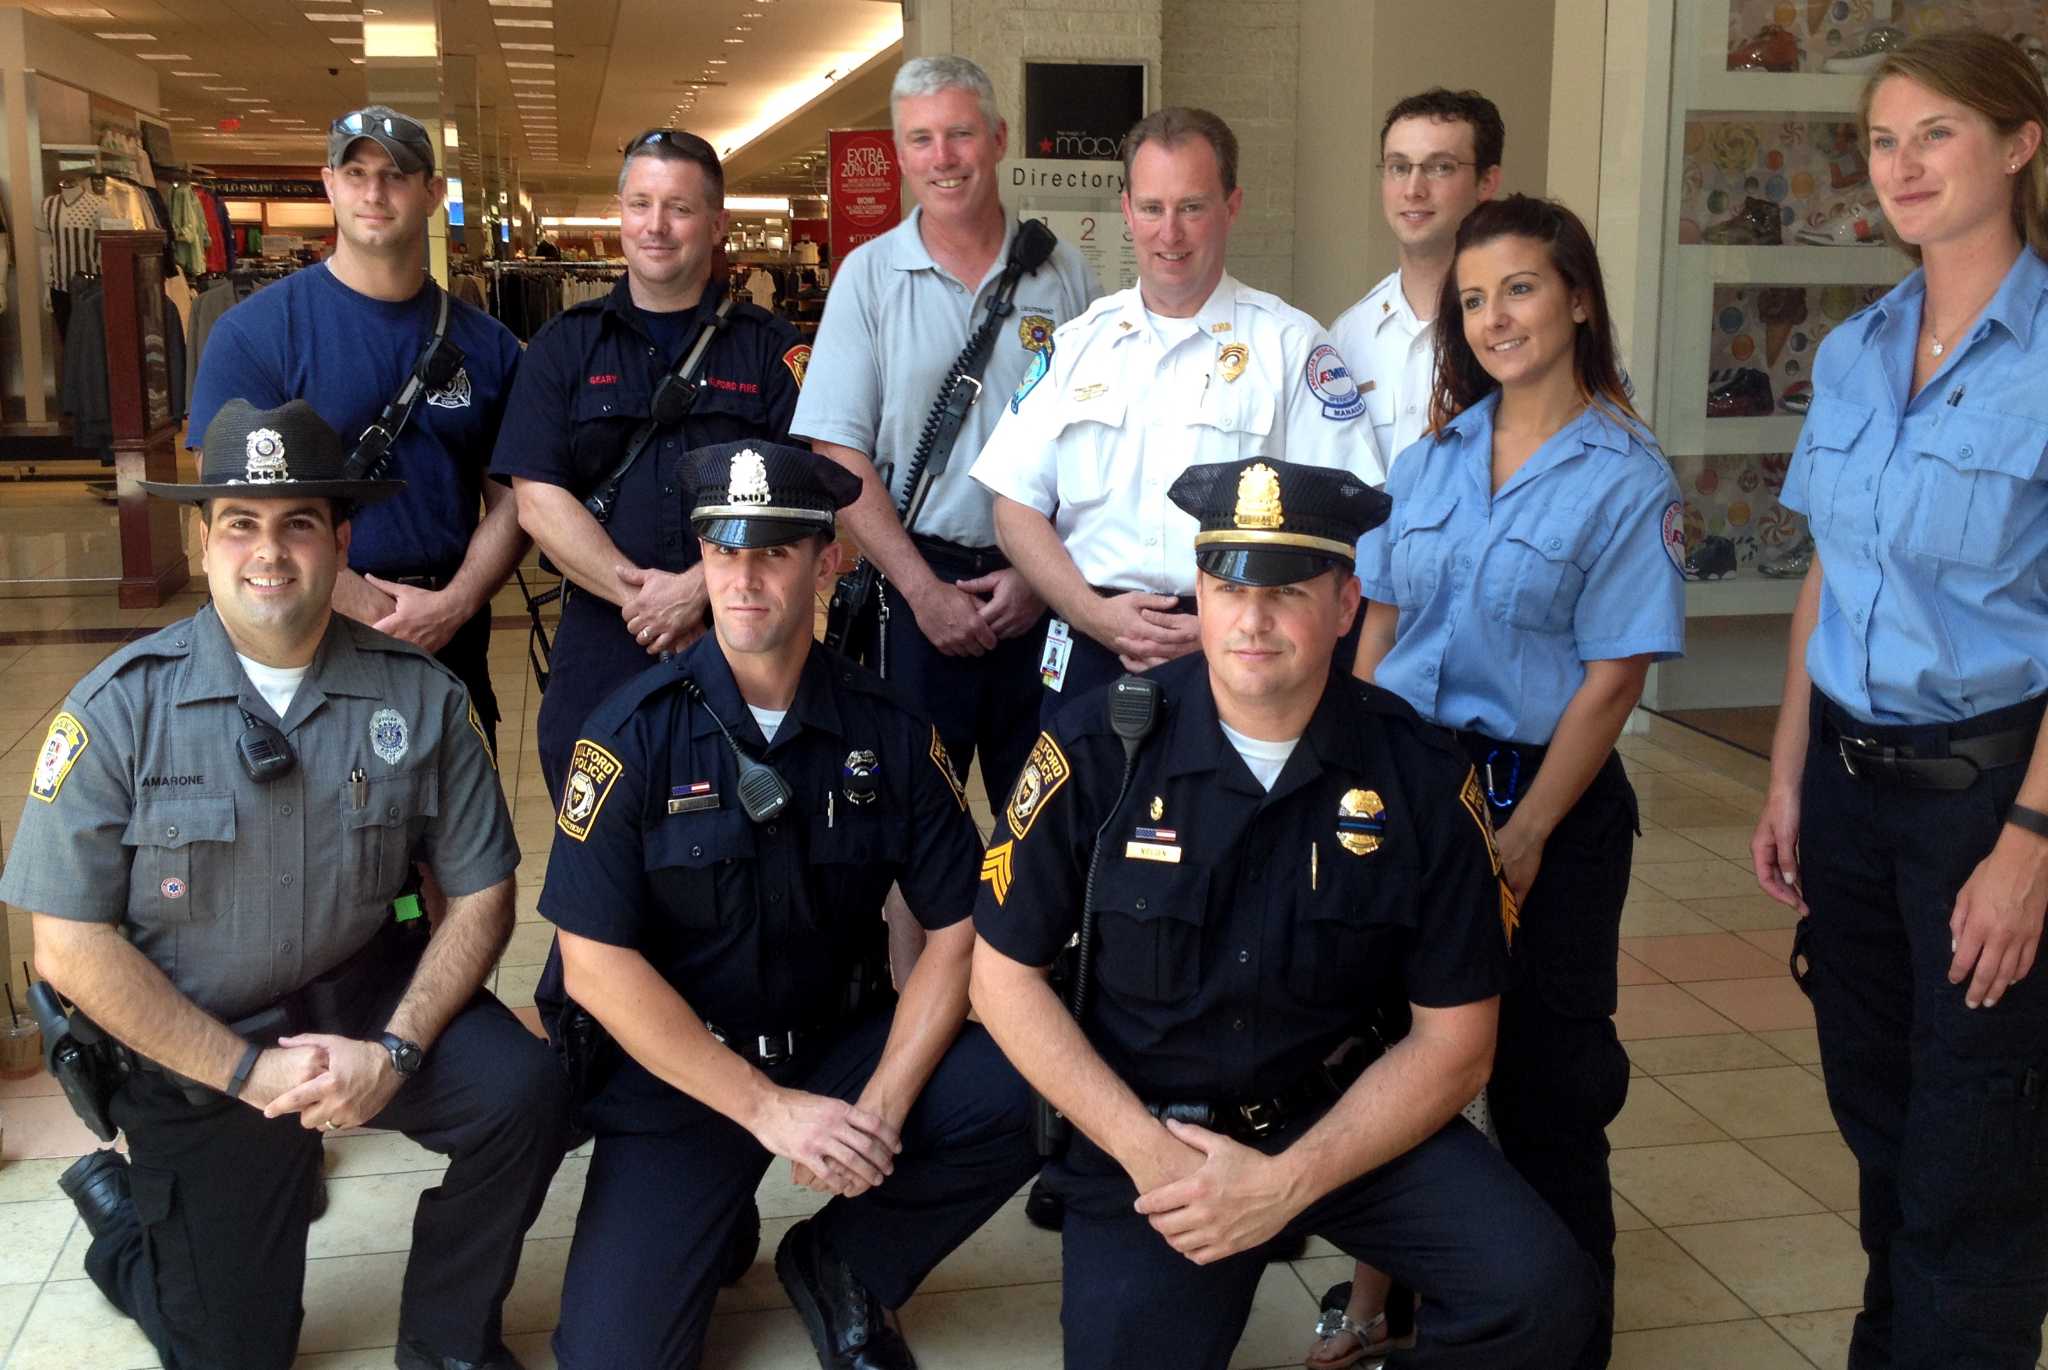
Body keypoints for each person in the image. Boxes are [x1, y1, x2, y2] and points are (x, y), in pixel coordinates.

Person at [968, 454, 1592, 1369]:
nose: (1251, 620)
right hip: (1154, 1137)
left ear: (1346, 605)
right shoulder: (1101, 746)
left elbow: (1456, 1043)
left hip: (1336, 1118)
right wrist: (1146, 1152)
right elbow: (1003, 976)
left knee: (1541, 1296)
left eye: (1289, 591)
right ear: (1198, 593)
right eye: (1226, 587)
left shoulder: (1418, 774)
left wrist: (1285, 1182)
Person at [4, 400, 567, 1370]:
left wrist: (395, 1047)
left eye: (299, 521)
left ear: (341, 540)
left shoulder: (420, 697)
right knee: (231, 1349)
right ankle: (117, 1218)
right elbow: (66, 944)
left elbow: (483, 894)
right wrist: (247, 1071)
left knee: (527, 1090)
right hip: (199, 1053)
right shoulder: (117, 711)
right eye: (241, 523)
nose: (270, 551)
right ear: (205, 538)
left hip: (367, 1007)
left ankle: (446, 1336)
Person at [540, 440, 1040, 1370]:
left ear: (828, 560)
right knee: (613, 1358)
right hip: (686, 1074)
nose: (744, 578)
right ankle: (713, 1209)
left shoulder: (888, 730)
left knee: (1022, 1088)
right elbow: (595, 965)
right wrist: (767, 1112)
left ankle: (847, 1260)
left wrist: (884, 1104)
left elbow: (958, 929)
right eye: (725, 551)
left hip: (835, 1041)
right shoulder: (631, 735)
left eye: (773, 551)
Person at [1750, 31, 2048, 1370]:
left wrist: (2031, 848)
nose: (1904, 166)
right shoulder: (1860, 348)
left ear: (2021, 143)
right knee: (1881, 1119)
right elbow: (1829, 571)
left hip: (1991, 798)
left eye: (1938, 133)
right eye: (1884, 139)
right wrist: (1783, 773)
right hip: (1850, 796)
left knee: (1977, 1146)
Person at [1347, 194, 1683, 1370]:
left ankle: (1562, 1335)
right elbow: (1376, 632)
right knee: (1395, 1057)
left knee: (1546, 1088)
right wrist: (1360, 782)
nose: (1494, 316)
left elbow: (1612, 673)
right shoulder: (1428, 456)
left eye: (1521, 288)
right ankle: (1400, 1313)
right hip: (1418, 792)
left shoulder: (1625, 472)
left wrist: (1530, 827)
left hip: (1552, 803)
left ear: (1577, 297)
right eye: (1473, 298)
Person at [972, 105, 1386, 718]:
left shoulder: (1291, 347)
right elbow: (1014, 507)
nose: (1170, 233)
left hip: (1244, 653)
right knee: (1085, 816)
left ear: (1232, 206)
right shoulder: (1075, 347)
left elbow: (1349, 520)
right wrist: (1091, 612)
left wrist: (1228, 627)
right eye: (1152, 208)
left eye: (1192, 207)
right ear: (1127, 211)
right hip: (1089, 643)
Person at [795, 54, 1100, 811]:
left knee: (1046, 819)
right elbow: (837, 450)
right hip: (914, 585)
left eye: (960, 134)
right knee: (912, 827)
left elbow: (1096, 448)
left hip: (1042, 587)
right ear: (900, 156)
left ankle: (1019, 937)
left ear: (997, 139)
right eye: (921, 139)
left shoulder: (1066, 277)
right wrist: (923, 591)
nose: (944, 158)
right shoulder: (867, 278)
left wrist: (1040, 578)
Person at [188, 105, 527, 758]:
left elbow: (514, 498)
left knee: (455, 843)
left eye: (397, 176)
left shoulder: (488, 347)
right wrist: (363, 604)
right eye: (357, 172)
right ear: (329, 183)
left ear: (432, 195)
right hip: (304, 634)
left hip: (450, 638)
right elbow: (225, 505)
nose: (375, 192)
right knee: (316, 841)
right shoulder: (257, 334)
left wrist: (454, 602)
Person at [492, 128, 805, 801]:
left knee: (753, 832)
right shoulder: (563, 348)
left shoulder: (771, 352)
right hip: (605, 636)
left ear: (717, 223)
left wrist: (700, 588)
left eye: (680, 208)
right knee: (595, 841)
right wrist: (643, 599)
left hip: (746, 633)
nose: (655, 226)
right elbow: (538, 496)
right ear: (620, 213)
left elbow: (803, 493)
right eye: (640, 204)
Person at [1330, 88, 1504, 471]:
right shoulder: (1347, 336)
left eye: (1440, 167)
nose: (1413, 189)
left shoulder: (1518, 328)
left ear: (1486, 182)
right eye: (1398, 167)